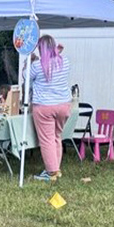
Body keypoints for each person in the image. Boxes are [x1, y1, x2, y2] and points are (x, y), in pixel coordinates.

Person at [29, 34, 72, 182]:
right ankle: (56, 169)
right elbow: (54, 61)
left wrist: (29, 63)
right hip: (64, 105)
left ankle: (51, 172)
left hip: (44, 106)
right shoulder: (64, 61)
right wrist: (57, 53)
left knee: (46, 139)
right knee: (56, 137)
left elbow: (26, 76)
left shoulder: (37, 66)